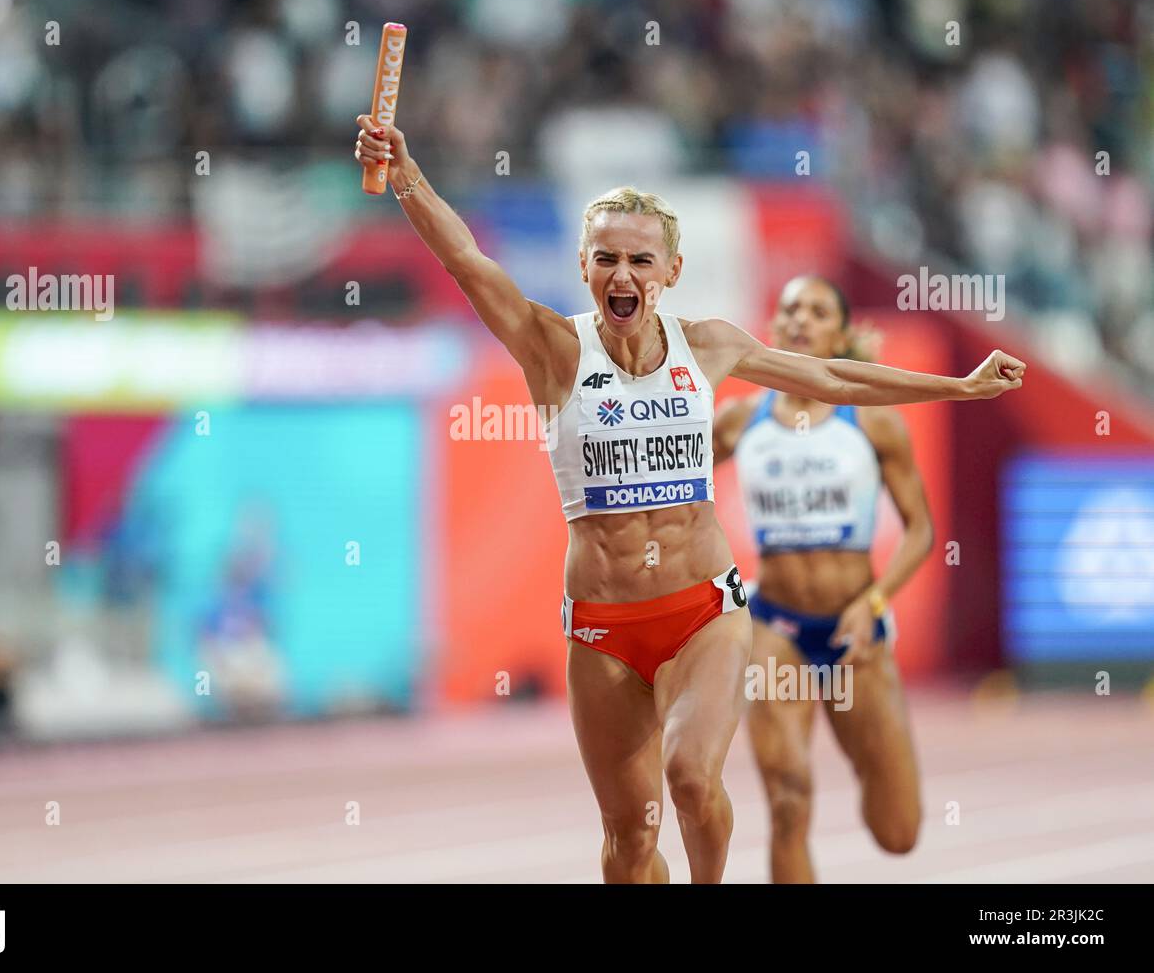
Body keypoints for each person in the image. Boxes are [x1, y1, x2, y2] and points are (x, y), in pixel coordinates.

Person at [354, 116, 1026, 883]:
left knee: (692, 778)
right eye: (606, 258)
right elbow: (465, 259)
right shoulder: (553, 348)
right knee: (630, 843)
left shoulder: (709, 344)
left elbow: (835, 378)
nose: (623, 275)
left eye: (641, 259)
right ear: (583, 266)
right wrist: (403, 173)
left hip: (704, 613)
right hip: (602, 629)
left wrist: (962, 387)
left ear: (671, 270)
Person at [714, 275, 931, 882]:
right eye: (789, 311)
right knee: (788, 797)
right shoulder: (738, 421)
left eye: (816, 311)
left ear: (840, 331)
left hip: (854, 631)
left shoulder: (874, 422)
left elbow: (921, 531)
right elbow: (675, 484)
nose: (801, 320)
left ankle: (876, 772)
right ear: (775, 328)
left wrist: (877, 599)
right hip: (773, 626)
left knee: (898, 831)